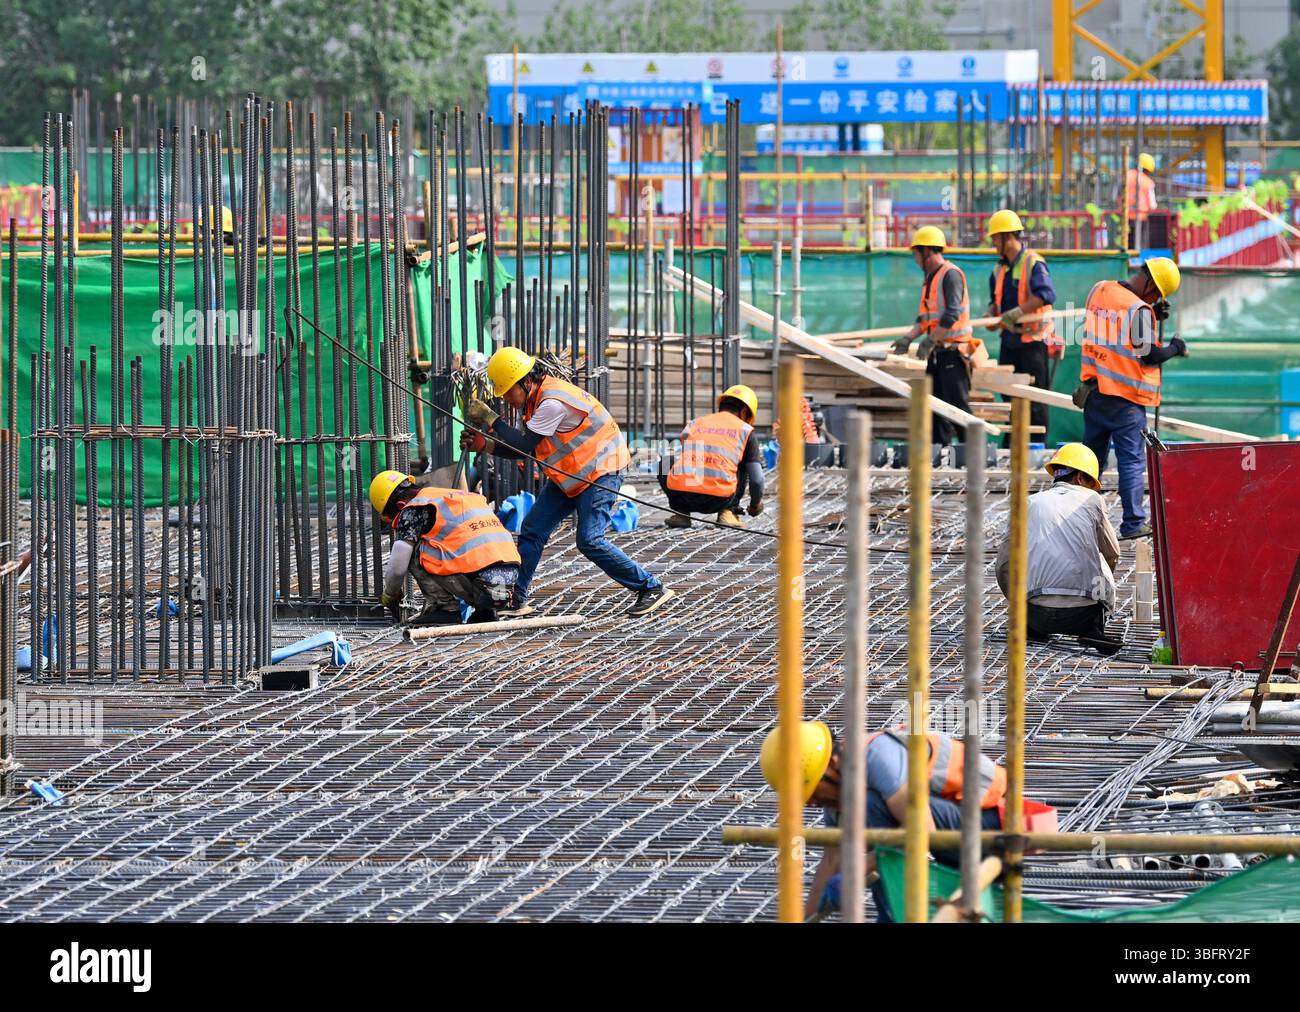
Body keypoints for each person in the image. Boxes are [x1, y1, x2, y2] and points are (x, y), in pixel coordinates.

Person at [459, 347, 673, 618]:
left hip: (600, 471)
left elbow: (524, 445)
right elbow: (527, 448)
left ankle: (650, 587)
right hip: (572, 474)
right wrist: (485, 444)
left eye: (508, 392)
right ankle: (516, 599)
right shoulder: (535, 400)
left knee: (589, 540)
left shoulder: (552, 402)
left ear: (525, 381)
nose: (507, 400)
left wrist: (492, 420)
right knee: (533, 528)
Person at [760, 721, 1006, 923]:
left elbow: (922, 830)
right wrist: (805, 917)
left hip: (988, 829)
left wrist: (856, 872)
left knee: (869, 806)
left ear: (831, 766)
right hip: (954, 843)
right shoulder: (837, 797)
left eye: (812, 792)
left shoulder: (877, 755)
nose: (812, 803)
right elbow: (832, 860)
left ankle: (893, 918)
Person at [1077, 256, 1186, 539]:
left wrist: (1149, 312)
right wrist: (1175, 347)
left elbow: (1117, 327)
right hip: (1124, 399)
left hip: (1094, 393)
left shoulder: (1100, 290)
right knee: (1131, 462)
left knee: (1091, 461)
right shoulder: (1138, 309)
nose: (1153, 299)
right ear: (1150, 283)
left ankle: (1077, 519)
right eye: (1155, 294)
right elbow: (1149, 354)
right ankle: (1133, 524)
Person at [996, 443, 1122, 655]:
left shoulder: (1028, 503)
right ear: (1081, 478)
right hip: (1082, 615)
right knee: (1099, 559)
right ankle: (1093, 629)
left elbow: (1004, 564)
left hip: (1036, 614)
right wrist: (1100, 591)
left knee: (1027, 559)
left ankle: (1029, 628)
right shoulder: (1092, 500)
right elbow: (1113, 554)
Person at [368, 470, 521, 625]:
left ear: (400, 506)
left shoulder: (413, 508)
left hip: (484, 585)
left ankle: (445, 609)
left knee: (411, 550)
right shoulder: (453, 497)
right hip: (507, 585)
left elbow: (397, 568)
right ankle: (486, 611)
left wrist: (389, 595)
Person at [891, 226, 983, 446]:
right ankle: (941, 456)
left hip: (953, 353)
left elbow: (952, 314)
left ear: (926, 251)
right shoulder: (930, 279)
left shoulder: (950, 275)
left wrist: (930, 340)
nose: (915, 260)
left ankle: (972, 456)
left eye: (915, 253)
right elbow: (925, 319)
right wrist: (908, 339)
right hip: (938, 354)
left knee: (958, 408)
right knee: (935, 408)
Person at [984, 209, 1061, 441]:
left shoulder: (1033, 263)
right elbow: (995, 301)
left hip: (1032, 343)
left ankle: (1036, 450)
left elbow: (1047, 294)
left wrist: (1018, 312)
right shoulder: (999, 269)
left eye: (995, 238)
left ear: (1007, 237)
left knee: (1035, 402)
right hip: (1009, 341)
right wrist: (991, 314)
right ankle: (1013, 446)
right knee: (1010, 398)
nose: (993, 243)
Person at [660, 384, 765, 529]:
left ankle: (681, 513)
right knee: (743, 462)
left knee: (666, 462)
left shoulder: (696, 423)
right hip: (720, 499)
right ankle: (728, 513)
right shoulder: (745, 431)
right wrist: (755, 504)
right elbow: (757, 479)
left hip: (683, 496)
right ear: (744, 412)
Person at [1123, 152, 1163, 247]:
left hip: (1124, 217)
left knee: (1125, 243)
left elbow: (1115, 196)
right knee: (1138, 244)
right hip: (1140, 218)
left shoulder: (1125, 176)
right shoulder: (1148, 182)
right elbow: (1152, 205)